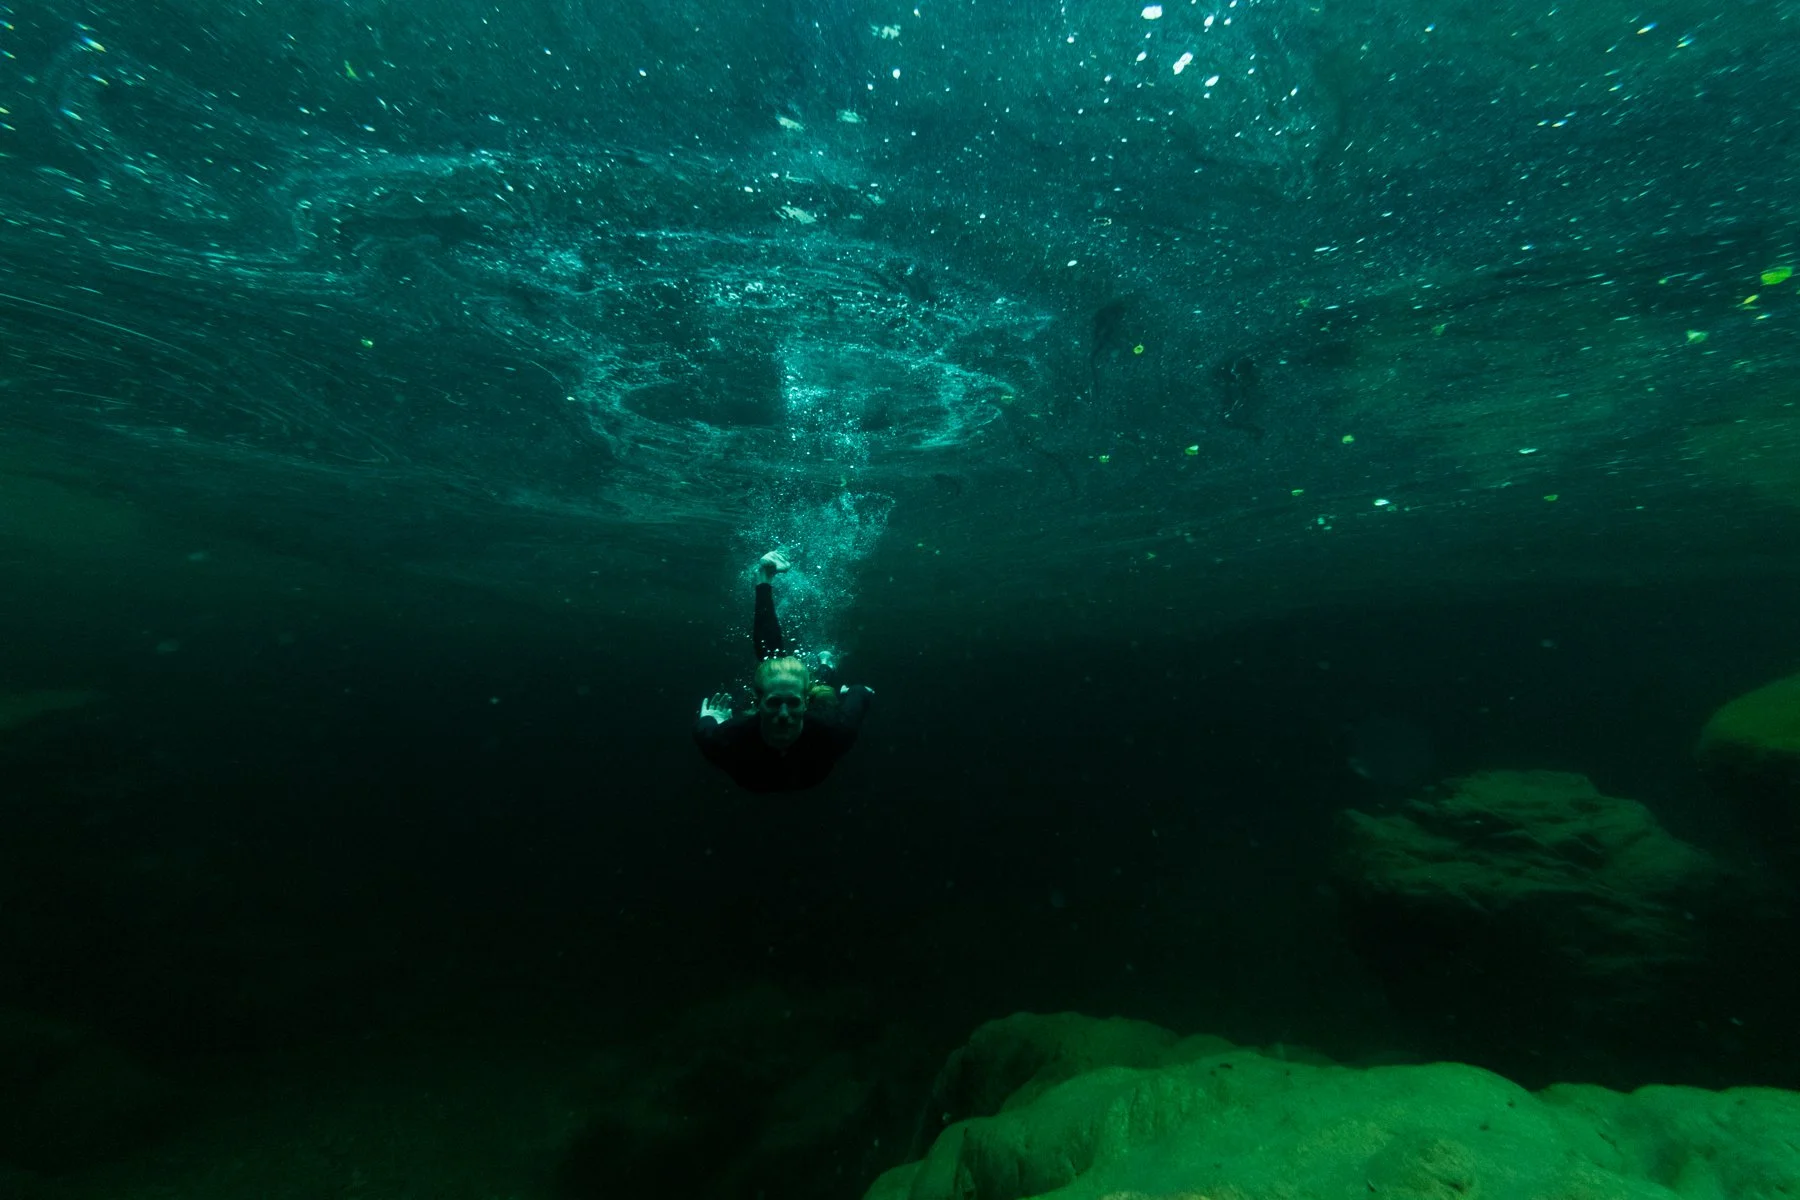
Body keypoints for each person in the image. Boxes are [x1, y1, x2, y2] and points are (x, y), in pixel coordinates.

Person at [693, 551, 874, 792]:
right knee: (773, 664)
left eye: (794, 703)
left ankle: (825, 669)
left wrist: (855, 691)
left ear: (805, 704)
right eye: (774, 703)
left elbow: (861, 694)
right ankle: (763, 580)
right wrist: (712, 720)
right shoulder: (725, 739)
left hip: (811, 729)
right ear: (758, 702)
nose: (784, 714)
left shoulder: (834, 731)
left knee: (823, 692)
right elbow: (705, 732)